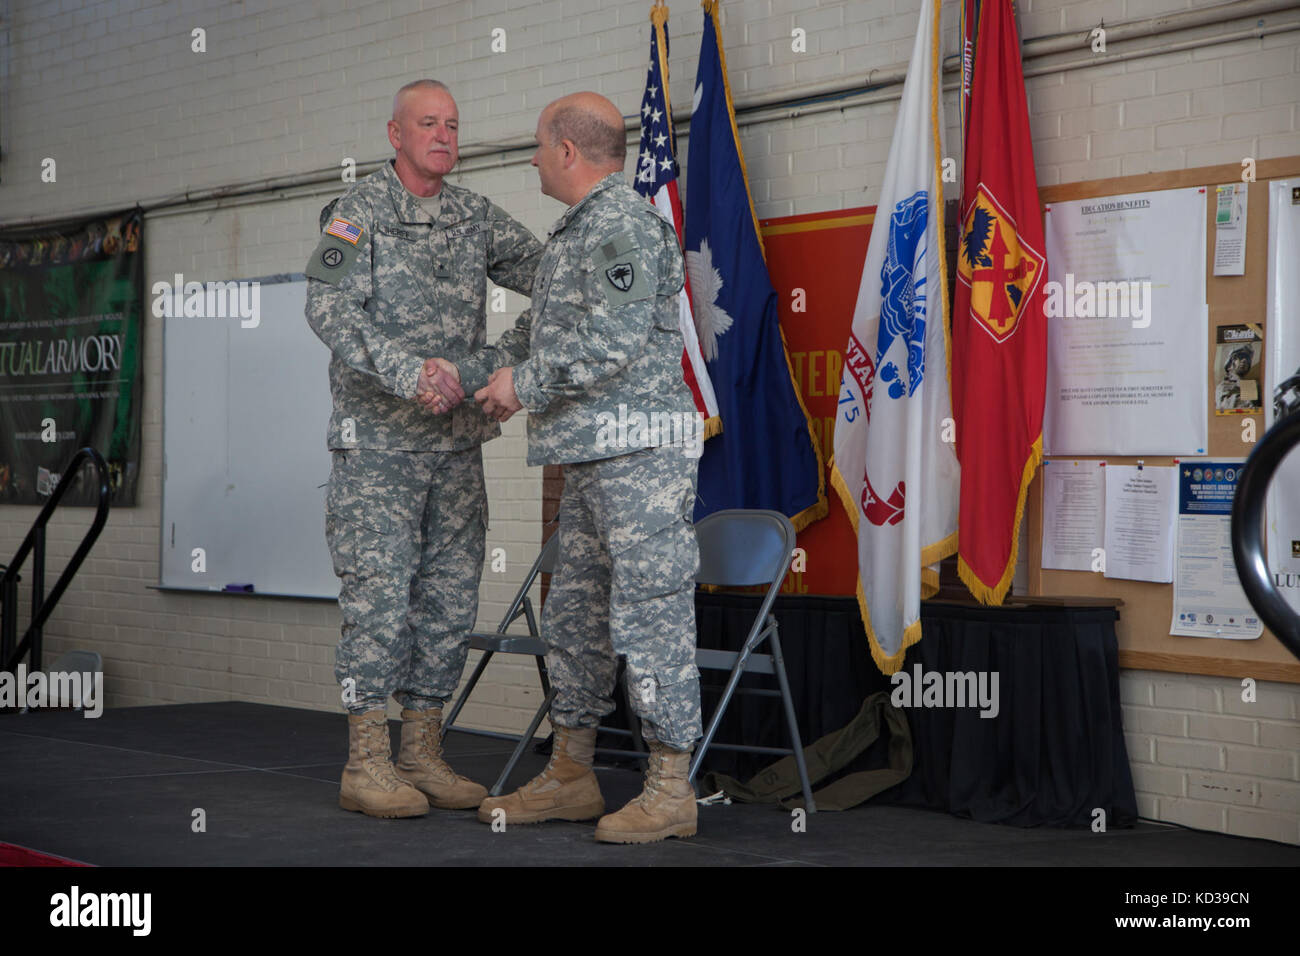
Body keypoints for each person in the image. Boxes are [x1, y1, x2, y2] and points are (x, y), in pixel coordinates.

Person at [466, 91, 703, 844]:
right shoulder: (576, 235)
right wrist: (477, 374)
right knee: (576, 622)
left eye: (538, 145)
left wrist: (523, 386)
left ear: (568, 151)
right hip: (591, 462)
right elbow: (539, 333)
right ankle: (572, 773)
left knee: (652, 618)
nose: (532, 157)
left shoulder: (623, 225)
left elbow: (617, 338)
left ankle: (670, 790)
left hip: (641, 460)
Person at [304, 79, 542, 819]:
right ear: (395, 134)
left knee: (449, 594)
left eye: (452, 125)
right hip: (379, 447)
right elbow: (325, 306)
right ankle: (366, 761)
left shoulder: (473, 214)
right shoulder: (358, 212)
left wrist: (491, 365)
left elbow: (550, 277)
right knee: (379, 595)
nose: (444, 135)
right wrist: (410, 373)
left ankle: (422, 752)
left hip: (454, 445)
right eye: (428, 124)